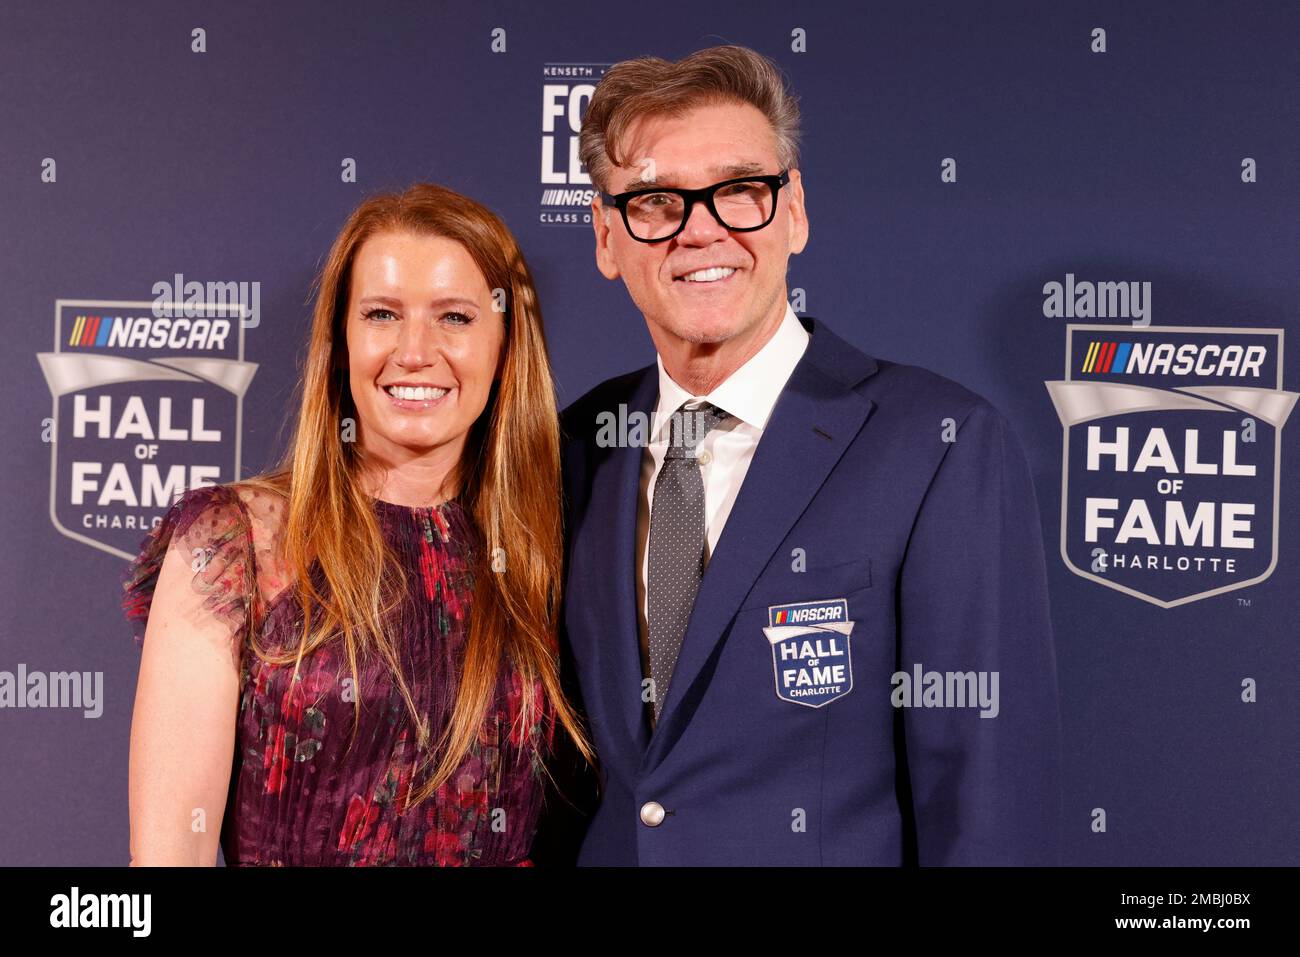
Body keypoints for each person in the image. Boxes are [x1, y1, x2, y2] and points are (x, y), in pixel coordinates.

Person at [559, 45, 1062, 865]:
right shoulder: (574, 446)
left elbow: (986, 802)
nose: (701, 229)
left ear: (793, 211)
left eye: (739, 192)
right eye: (655, 201)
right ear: (607, 236)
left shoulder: (938, 444)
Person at [122, 183, 591, 866]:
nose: (414, 351)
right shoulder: (236, 540)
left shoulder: (551, 547)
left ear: (505, 345)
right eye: (382, 314)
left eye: (455, 318)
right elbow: (172, 852)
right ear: (341, 341)